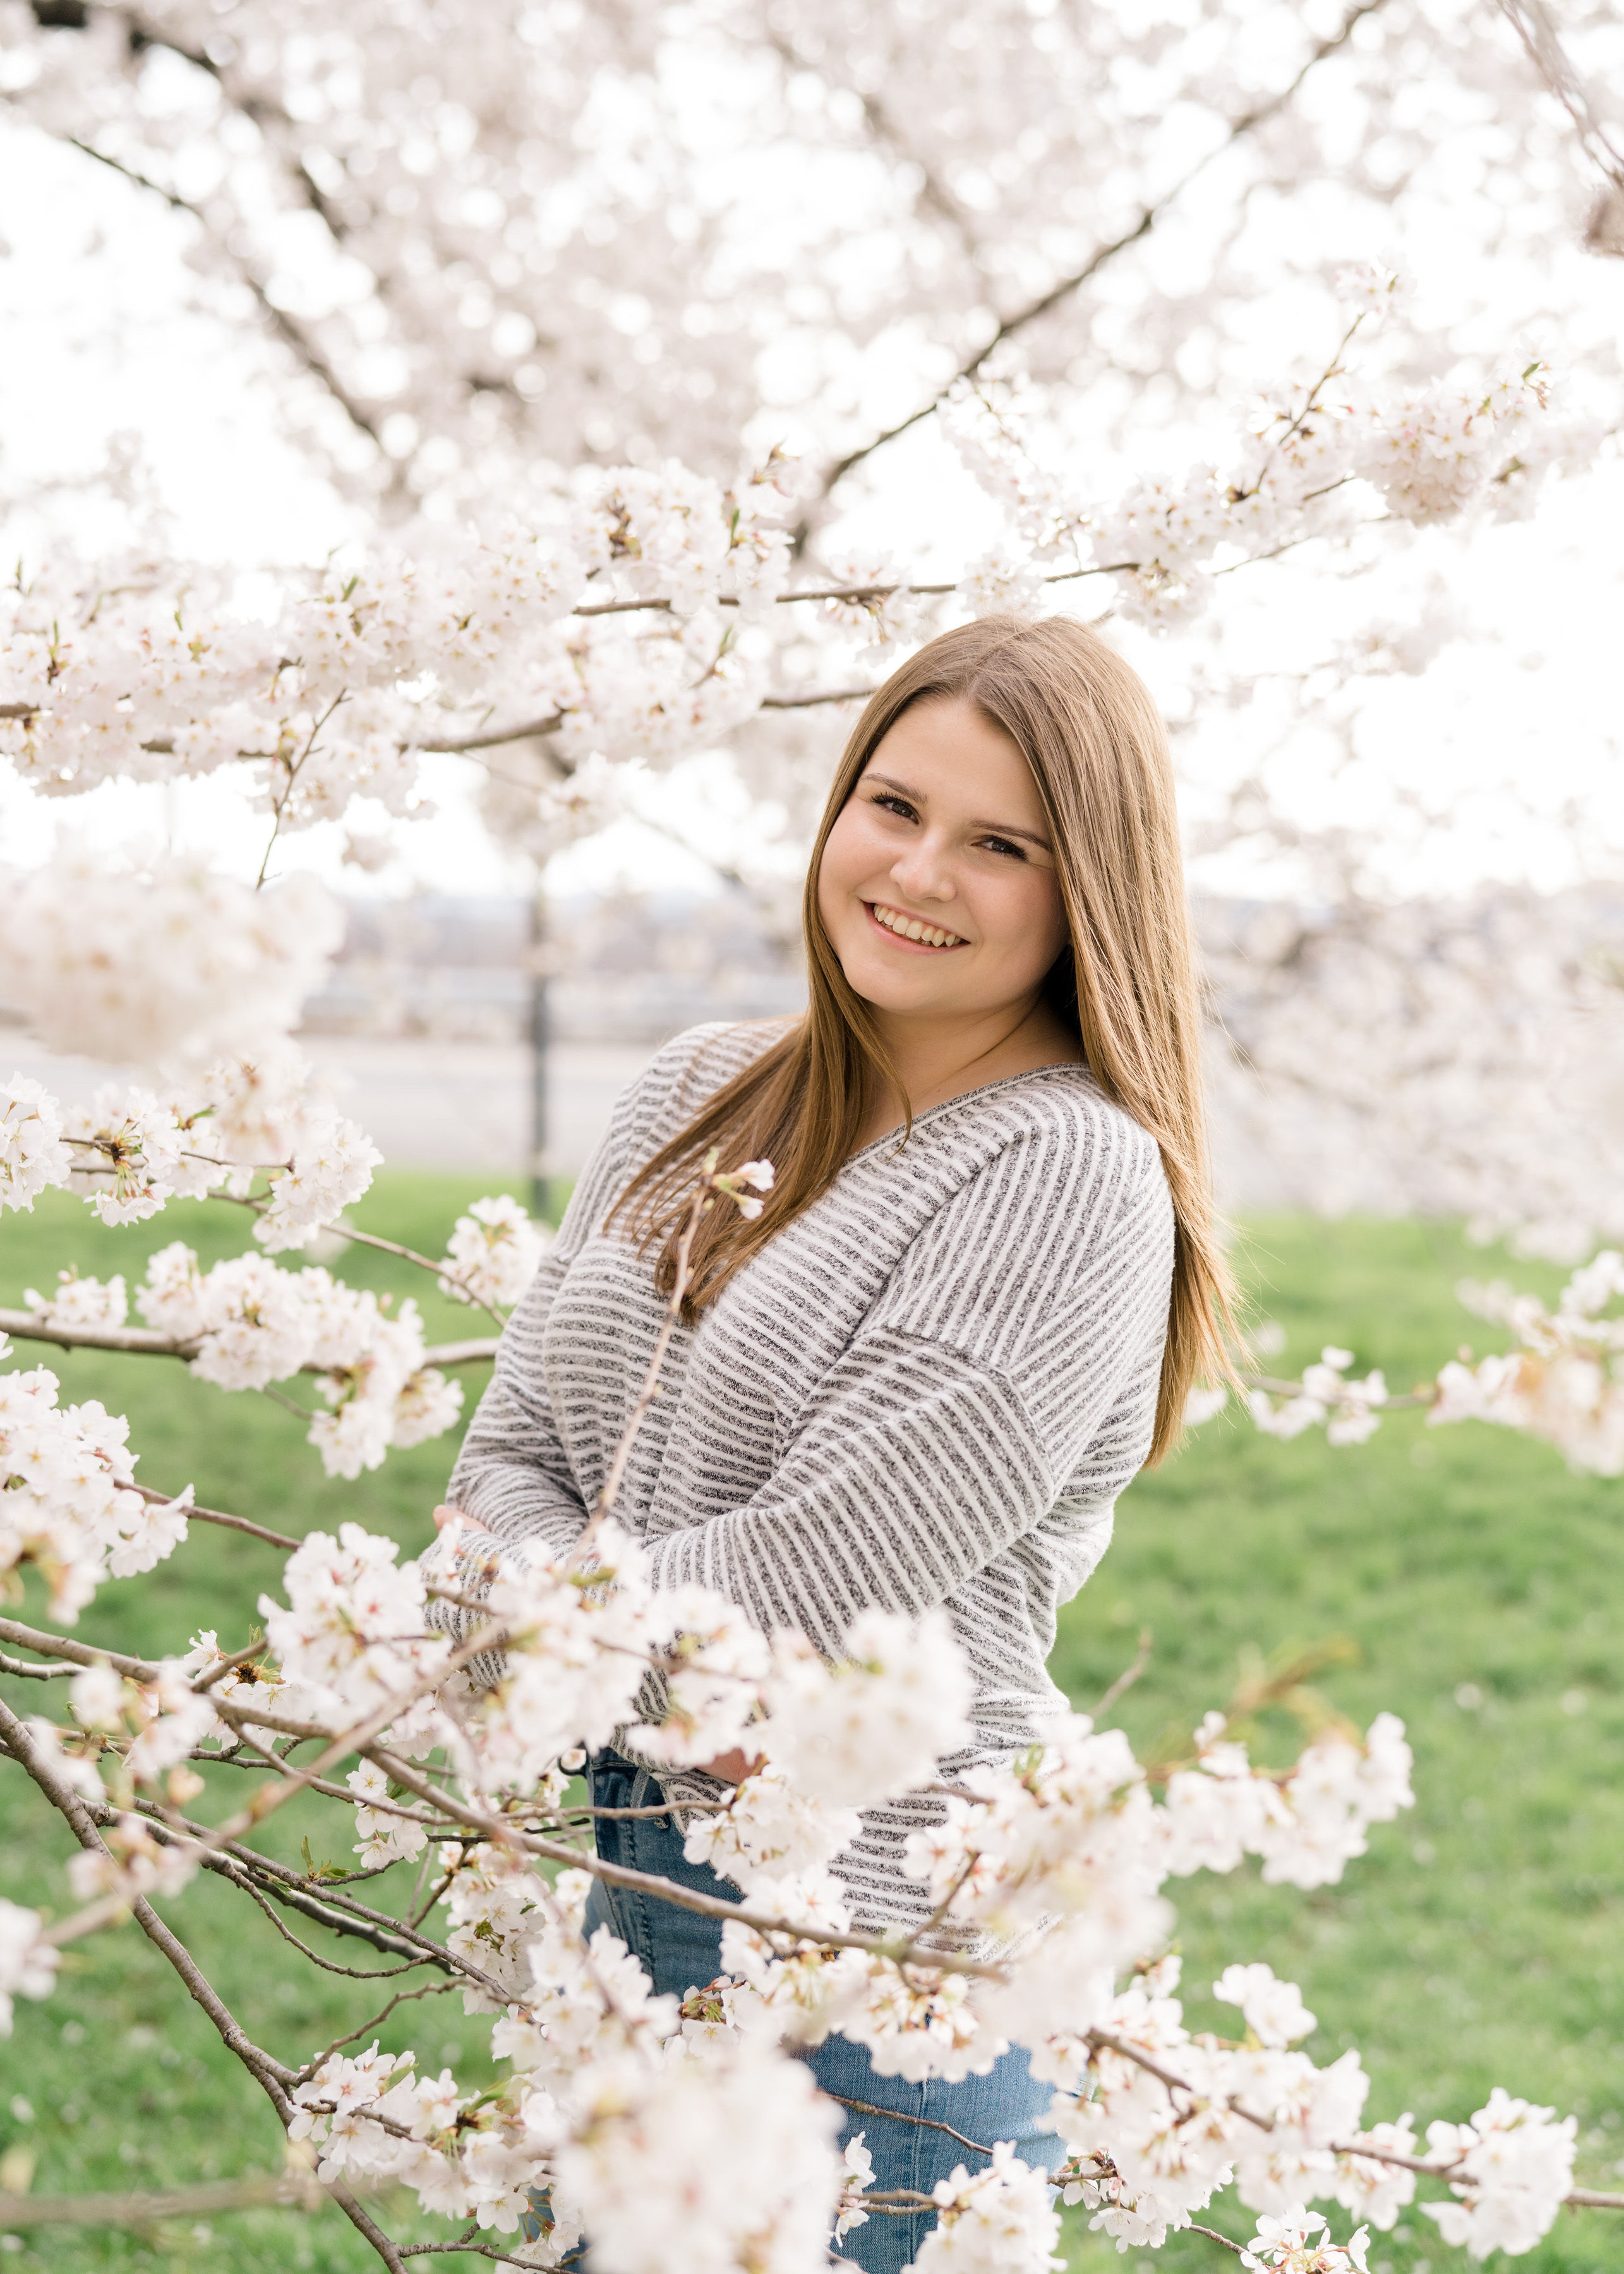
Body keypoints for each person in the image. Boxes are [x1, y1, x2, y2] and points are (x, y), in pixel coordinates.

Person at [432, 613, 1232, 2271]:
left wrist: (531, 1635)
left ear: (1087, 886)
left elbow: (807, 1586)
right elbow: (501, 1464)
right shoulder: (696, 1091)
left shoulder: (1069, 1178)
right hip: (638, 1928)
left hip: (882, 1981)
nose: (918, 873)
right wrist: (536, 1616)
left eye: (998, 845)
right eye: (892, 807)